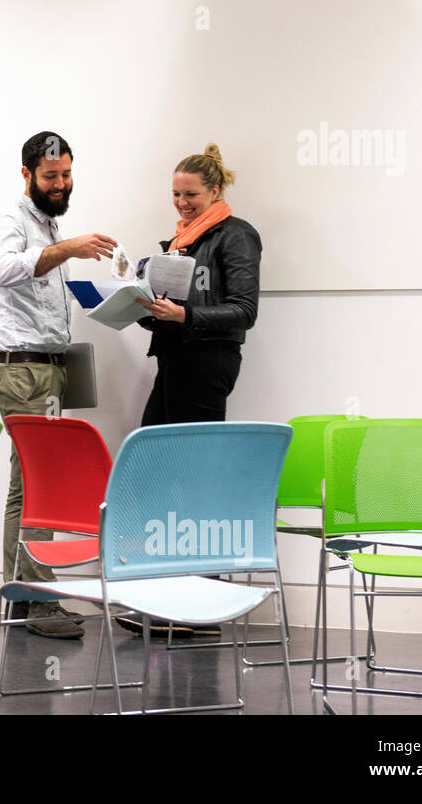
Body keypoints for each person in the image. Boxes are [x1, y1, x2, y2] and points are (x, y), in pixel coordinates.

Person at [117, 142, 262, 637]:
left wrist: (186, 315)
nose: (181, 203)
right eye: (175, 194)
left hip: (209, 363)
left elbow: (244, 310)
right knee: (157, 472)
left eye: (191, 195)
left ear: (215, 190)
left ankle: (201, 604)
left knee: (193, 478)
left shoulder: (236, 236)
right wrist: (140, 306)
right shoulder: (177, 244)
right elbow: (174, 311)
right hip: (176, 361)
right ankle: (169, 594)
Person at [0, 131, 117, 640]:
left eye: (65, 175)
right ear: (26, 175)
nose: (60, 184)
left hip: (47, 368)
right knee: (37, 483)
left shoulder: (47, 224)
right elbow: (0, 270)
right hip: (22, 371)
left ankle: (24, 598)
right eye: (50, 177)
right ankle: (34, 602)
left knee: (30, 483)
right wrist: (68, 249)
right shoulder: (12, 221)